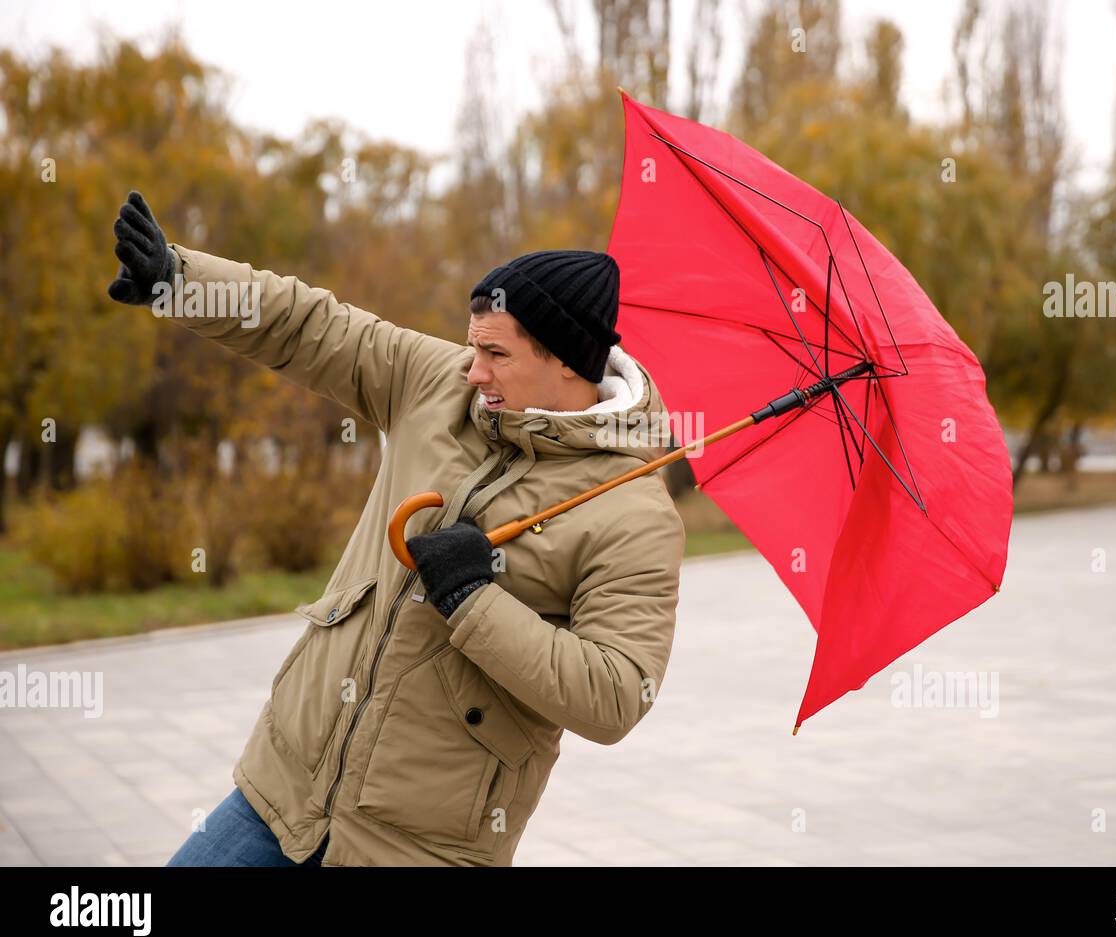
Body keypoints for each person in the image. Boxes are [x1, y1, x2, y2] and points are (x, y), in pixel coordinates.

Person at [108, 191, 685, 866]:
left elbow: (616, 695)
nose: (473, 372)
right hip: (283, 788)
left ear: (567, 361)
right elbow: (309, 326)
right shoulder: (436, 384)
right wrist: (181, 282)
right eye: (473, 348)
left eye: (495, 354)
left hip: (420, 845)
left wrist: (474, 599)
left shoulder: (633, 512)